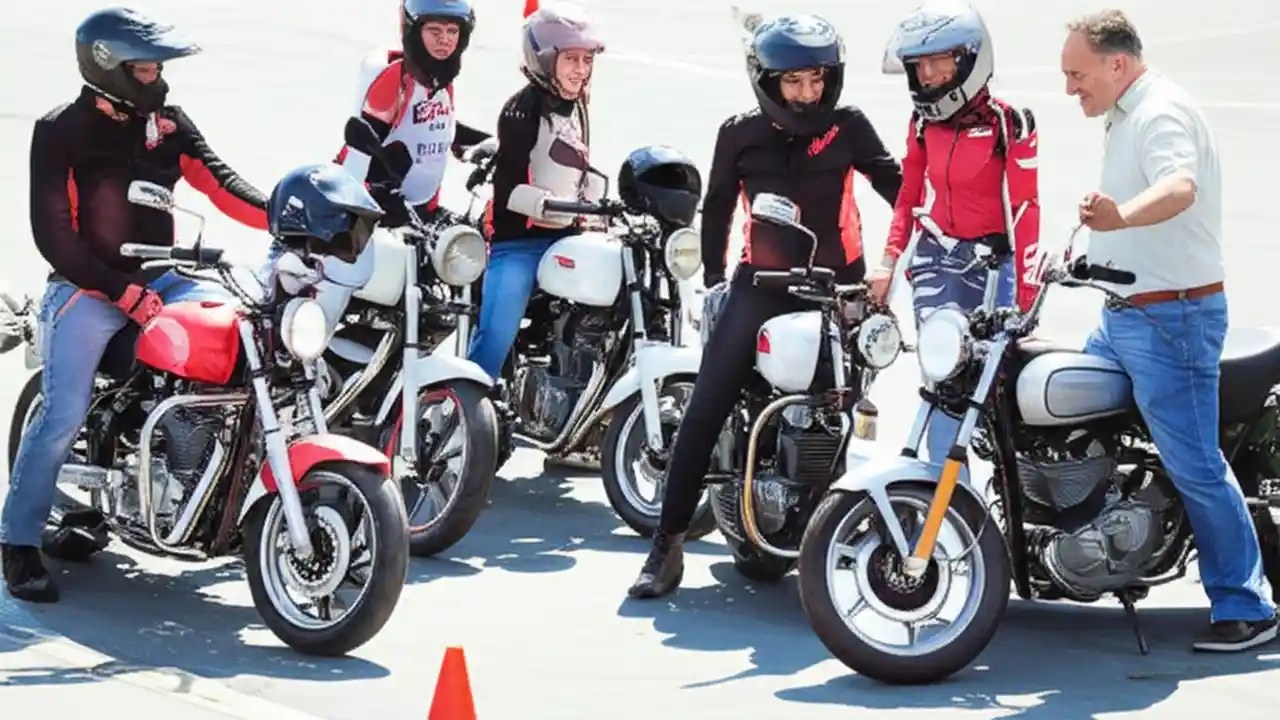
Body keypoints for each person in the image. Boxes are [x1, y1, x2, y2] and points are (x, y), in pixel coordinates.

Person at [627, 13, 903, 599]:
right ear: (766, 81)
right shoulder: (740, 133)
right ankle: (667, 544)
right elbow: (720, 209)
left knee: (845, 412)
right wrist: (713, 280)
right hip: (764, 286)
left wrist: (906, 251)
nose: (808, 94)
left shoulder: (848, 125)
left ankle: (835, 533)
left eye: (817, 80)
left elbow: (898, 190)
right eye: (793, 83)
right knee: (706, 404)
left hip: (840, 291)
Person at [1, 7, 269, 604]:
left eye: (157, 66)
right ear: (110, 67)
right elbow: (55, 238)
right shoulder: (60, 131)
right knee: (62, 414)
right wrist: (119, 292)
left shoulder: (169, 124)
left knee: (243, 339)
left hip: (165, 280)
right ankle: (18, 543)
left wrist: (289, 215)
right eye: (145, 67)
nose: (157, 76)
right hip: (84, 288)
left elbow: (220, 182)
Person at [1062, 8, 1278, 651]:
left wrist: (1120, 217)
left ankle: (1247, 603)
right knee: (1066, 419)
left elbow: (1179, 187)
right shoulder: (1125, 114)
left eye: (1078, 74)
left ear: (1117, 64)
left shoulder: (1160, 113)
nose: (1072, 87)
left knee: (1196, 466)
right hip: (1125, 314)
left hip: (1170, 321)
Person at [869, 0, 1040, 486]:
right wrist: (887, 262)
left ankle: (1011, 511)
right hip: (936, 261)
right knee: (943, 384)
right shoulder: (922, 121)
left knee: (998, 395)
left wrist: (1025, 295)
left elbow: (1026, 208)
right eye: (918, 64)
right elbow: (908, 196)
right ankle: (952, 515)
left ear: (968, 57)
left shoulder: (1012, 121)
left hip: (993, 268)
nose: (925, 73)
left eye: (936, 60)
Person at [466, 0, 607, 378]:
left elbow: (578, 167)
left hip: (567, 239)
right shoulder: (521, 110)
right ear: (545, 61)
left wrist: (597, 210)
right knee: (495, 336)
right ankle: (461, 403)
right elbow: (509, 189)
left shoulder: (578, 104)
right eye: (572, 60)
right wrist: (555, 206)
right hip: (517, 243)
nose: (581, 70)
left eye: (587, 60)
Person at [336, 0, 492, 229]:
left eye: (452, 31)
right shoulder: (394, 81)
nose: (445, 39)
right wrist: (379, 196)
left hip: (422, 215)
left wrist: (491, 144)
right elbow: (360, 147)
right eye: (434, 30)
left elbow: (435, 127)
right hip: (380, 218)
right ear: (414, 31)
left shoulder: (441, 83)